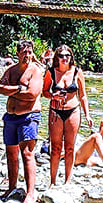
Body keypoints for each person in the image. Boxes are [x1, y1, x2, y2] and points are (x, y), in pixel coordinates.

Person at [0, 39, 46, 203]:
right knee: (11, 153)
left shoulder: (35, 71)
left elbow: (32, 93)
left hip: (28, 117)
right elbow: (0, 88)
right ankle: (12, 187)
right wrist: (18, 89)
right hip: (11, 117)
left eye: (30, 52)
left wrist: (11, 91)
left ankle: (30, 192)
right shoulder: (11, 70)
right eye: (24, 53)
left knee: (27, 153)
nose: (27, 56)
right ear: (18, 53)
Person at [43, 44, 90, 185]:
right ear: (56, 58)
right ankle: (52, 181)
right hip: (55, 112)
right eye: (61, 56)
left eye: (67, 55)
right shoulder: (50, 72)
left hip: (73, 110)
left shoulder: (77, 72)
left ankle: (68, 181)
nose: (65, 58)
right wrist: (53, 96)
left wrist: (87, 114)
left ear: (71, 57)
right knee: (55, 148)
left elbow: (82, 95)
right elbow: (44, 92)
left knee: (70, 148)